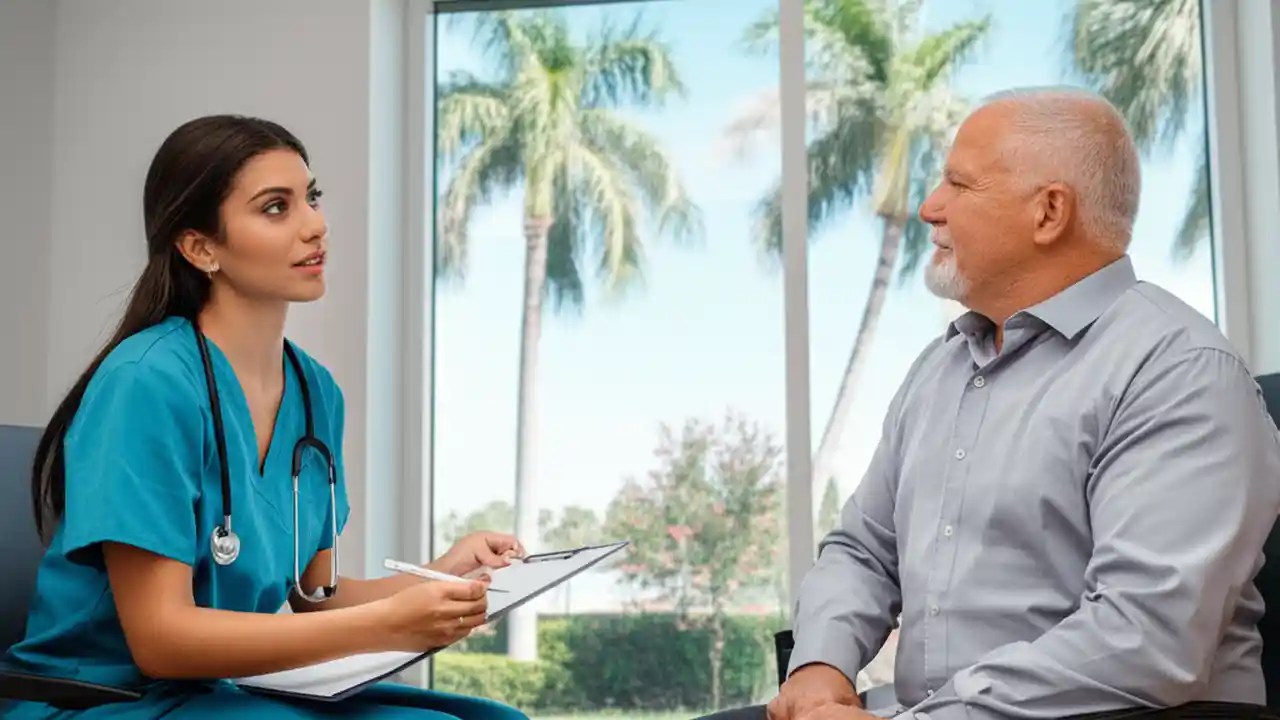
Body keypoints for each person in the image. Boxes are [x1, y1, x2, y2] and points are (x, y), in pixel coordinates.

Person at [703, 86, 1280, 720]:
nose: (928, 207)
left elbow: (1144, 636)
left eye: (958, 184)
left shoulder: (1178, 368)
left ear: (1049, 212)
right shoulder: (941, 368)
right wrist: (819, 667)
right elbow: (863, 550)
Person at [1, 115, 530, 720]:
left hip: (216, 691)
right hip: (101, 699)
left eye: (312, 197)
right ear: (201, 247)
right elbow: (161, 640)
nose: (315, 224)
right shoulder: (145, 382)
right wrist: (388, 625)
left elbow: (316, 598)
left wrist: (442, 578)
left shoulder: (315, 392)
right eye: (276, 207)